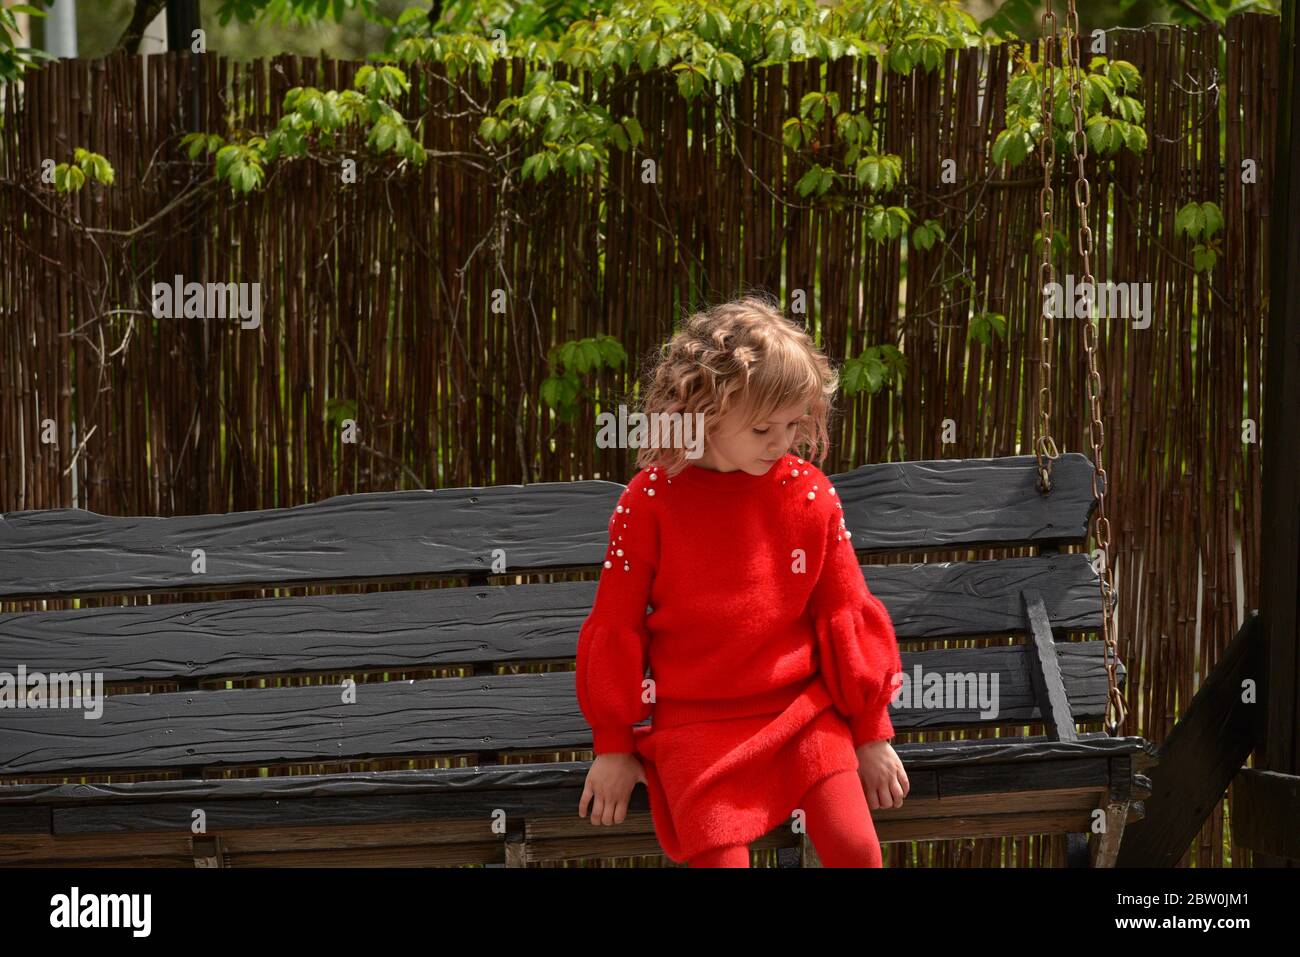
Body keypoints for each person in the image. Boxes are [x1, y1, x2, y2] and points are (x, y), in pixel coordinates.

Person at [575, 293, 909, 868]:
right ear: (702, 410)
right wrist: (613, 746)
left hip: (804, 717)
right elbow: (617, 626)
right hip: (695, 727)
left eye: (793, 424)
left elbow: (844, 611)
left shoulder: (808, 494)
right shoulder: (650, 502)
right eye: (762, 428)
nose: (782, 442)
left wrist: (872, 732)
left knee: (857, 850)